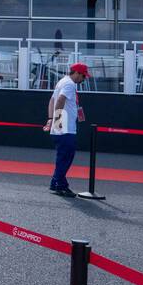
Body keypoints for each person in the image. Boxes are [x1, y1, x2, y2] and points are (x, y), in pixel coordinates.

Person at [44, 62, 89, 197]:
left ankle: (57, 183)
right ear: (76, 73)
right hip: (66, 128)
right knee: (66, 157)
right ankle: (59, 184)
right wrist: (57, 122)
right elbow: (60, 100)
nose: (84, 79)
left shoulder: (62, 81)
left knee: (62, 156)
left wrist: (51, 119)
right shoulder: (69, 84)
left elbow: (52, 100)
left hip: (61, 126)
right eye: (83, 76)